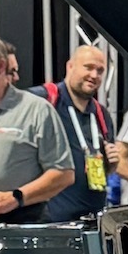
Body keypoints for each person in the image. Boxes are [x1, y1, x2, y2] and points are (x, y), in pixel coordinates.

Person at [0, 35, 72, 222]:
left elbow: (63, 174)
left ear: (1, 66)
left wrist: (15, 197)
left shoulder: (36, 109)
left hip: (20, 223)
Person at [41, 44, 113, 222]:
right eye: (88, 67)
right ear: (70, 66)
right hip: (52, 225)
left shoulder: (101, 114)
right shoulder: (43, 101)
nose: (94, 75)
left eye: (100, 70)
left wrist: (111, 166)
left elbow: (98, 171)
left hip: (93, 225)